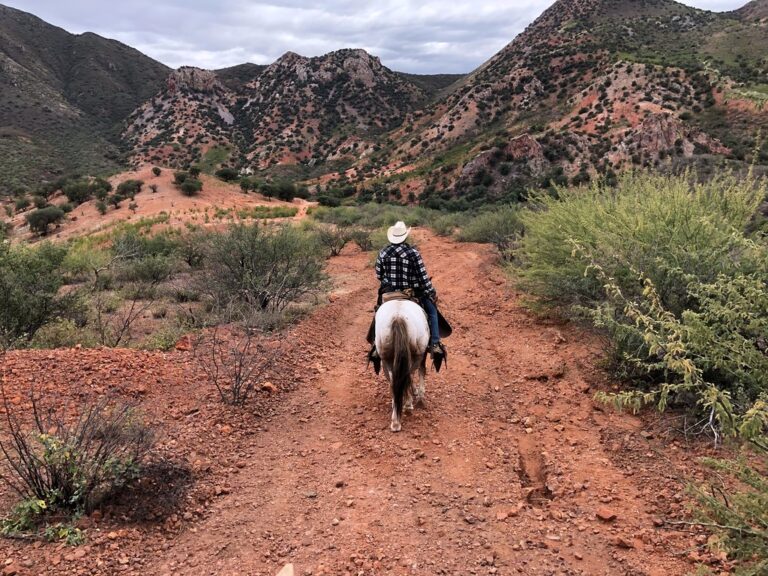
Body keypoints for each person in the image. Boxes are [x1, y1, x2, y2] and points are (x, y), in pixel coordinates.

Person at [369, 221, 444, 360]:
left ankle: (374, 346)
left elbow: (379, 275)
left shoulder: (383, 252)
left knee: (378, 312)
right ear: (405, 236)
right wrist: (431, 291)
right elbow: (423, 277)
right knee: (432, 311)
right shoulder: (413, 253)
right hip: (412, 293)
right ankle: (435, 344)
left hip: (389, 293)